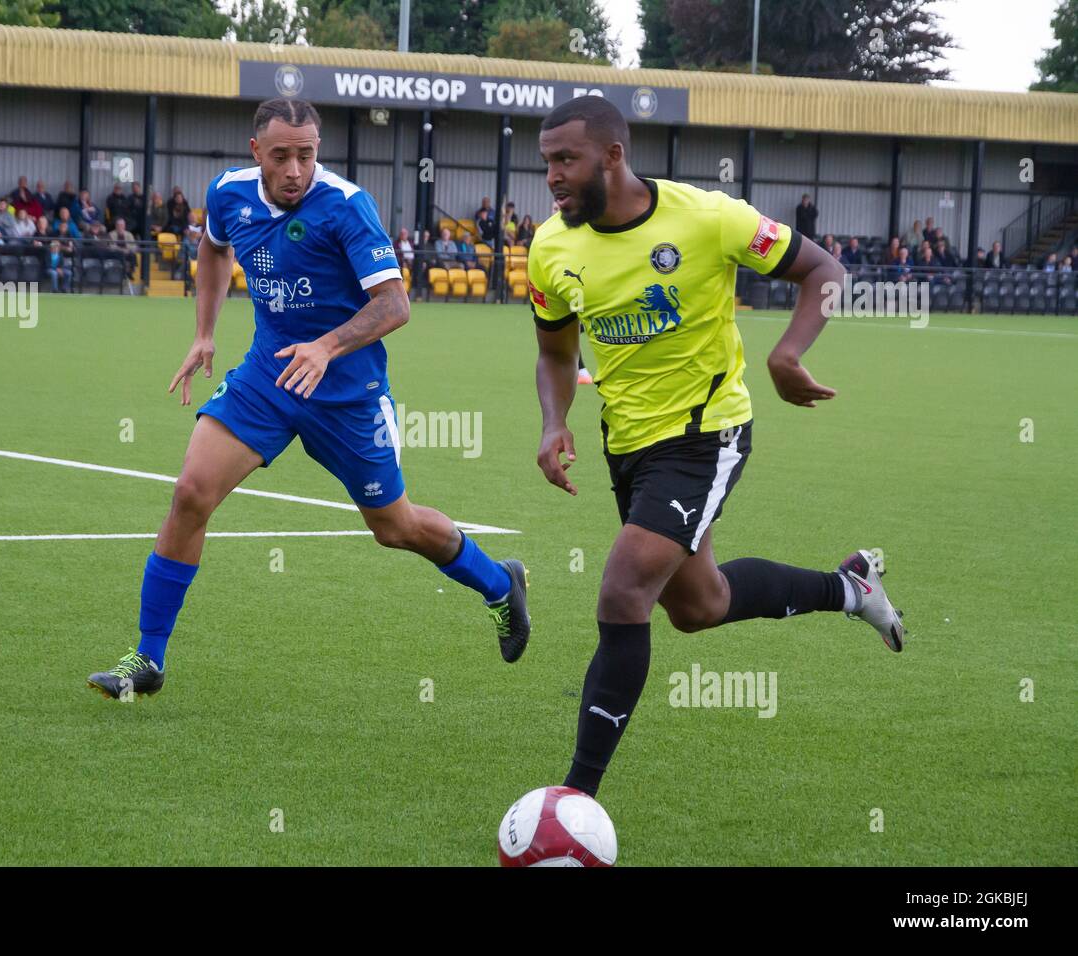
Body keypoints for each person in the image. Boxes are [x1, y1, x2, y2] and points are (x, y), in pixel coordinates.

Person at [86, 97, 530, 699]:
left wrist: (325, 347)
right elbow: (214, 250)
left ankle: (499, 584)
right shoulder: (227, 193)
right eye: (281, 156)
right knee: (191, 493)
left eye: (307, 154)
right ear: (256, 154)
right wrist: (205, 333)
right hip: (268, 377)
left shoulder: (347, 206)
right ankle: (149, 658)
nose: (296, 169)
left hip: (348, 393)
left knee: (394, 527)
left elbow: (395, 303)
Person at [526, 95, 904, 800]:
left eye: (565, 160)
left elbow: (824, 271)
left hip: (706, 435)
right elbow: (554, 352)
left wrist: (787, 354)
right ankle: (848, 588)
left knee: (623, 588)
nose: (552, 176)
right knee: (698, 606)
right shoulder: (551, 247)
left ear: (613, 156)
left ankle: (574, 801)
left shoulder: (707, 217)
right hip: (627, 445)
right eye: (547, 162)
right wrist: (554, 422)